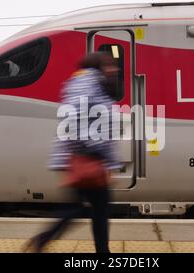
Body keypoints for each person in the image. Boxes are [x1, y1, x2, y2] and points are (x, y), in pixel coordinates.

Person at [29, 52, 122, 253]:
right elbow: (77, 118)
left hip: (85, 157)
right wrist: (96, 151)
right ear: (98, 66)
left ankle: (43, 239)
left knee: (83, 208)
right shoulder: (88, 84)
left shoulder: (87, 83)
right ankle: (45, 240)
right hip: (89, 158)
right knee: (96, 210)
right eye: (109, 64)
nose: (114, 68)